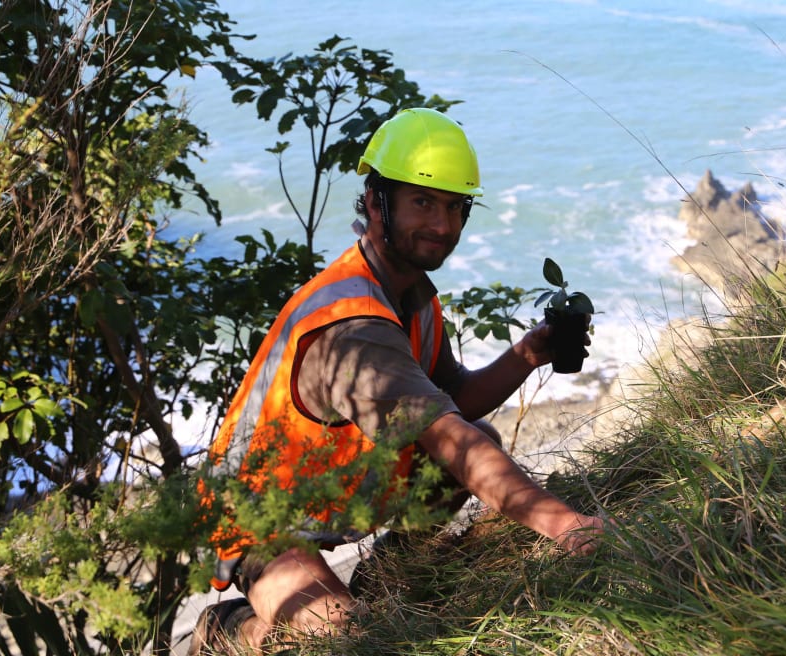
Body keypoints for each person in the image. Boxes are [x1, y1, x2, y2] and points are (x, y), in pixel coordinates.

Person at [190, 108, 606, 654]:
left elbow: (453, 399)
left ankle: (388, 581)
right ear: (374, 202)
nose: (443, 225)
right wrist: (567, 525)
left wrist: (528, 354)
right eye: (423, 203)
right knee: (351, 641)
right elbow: (449, 439)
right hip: (262, 519)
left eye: (456, 207)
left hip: (334, 491)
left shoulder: (412, 297)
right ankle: (232, 630)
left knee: (479, 434)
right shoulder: (353, 324)